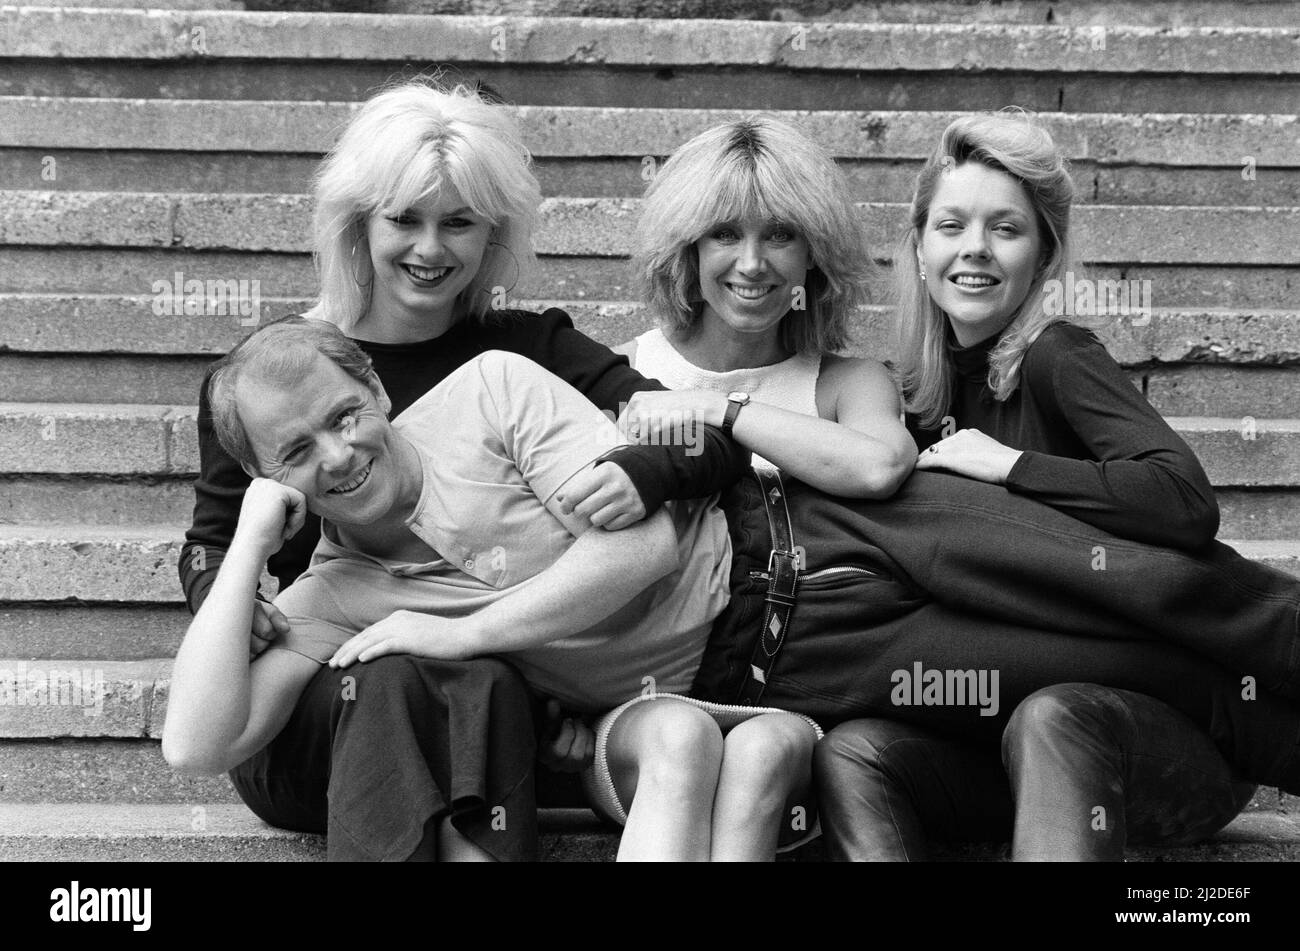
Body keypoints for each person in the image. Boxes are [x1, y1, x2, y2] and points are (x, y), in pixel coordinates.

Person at [162, 314, 1300, 871]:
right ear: (271, 476)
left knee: (1152, 587)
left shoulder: (488, 394)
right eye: (296, 453)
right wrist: (258, 544)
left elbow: (637, 552)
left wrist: (442, 623)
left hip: (820, 529)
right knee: (1107, 671)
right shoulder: (341, 590)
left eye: (342, 415)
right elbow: (200, 743)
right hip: (785, 661)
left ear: (371, 380)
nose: (337, 455)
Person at [174, 79, 750, 861]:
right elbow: (213, 546)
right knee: (396, 666)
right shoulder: (271, 381)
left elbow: (698, 435)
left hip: (496, 688)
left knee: (462, 672)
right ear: (357, 224)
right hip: (339, 673)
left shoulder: (515, 353)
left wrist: (646, 472)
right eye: (404, 219)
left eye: (459, 223)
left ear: (491, 234)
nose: (431, 248)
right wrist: (237, 600)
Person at [815, 111, 1258, 861]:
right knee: (855, 750)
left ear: (1044, 256)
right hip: (1001, 731)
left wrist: (1012, 466)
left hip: (1155, 737)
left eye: (1006, 229)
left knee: (1053, 714)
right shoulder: (911, 399)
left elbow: (1184, 498)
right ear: (919, 250)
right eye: (951, 225)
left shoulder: (1056, 356)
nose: (974, 250)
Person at [598, 115, 914, 859]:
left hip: (791, 697)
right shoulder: (619, 373)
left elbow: (877, 465)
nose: (751, 263)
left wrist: (724, 411)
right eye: (723, 235)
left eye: (779, 235)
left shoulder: (847, 381)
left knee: (765, 745)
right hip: (643, 701)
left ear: (815, 253)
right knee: (682, 736)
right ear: (687, 249)